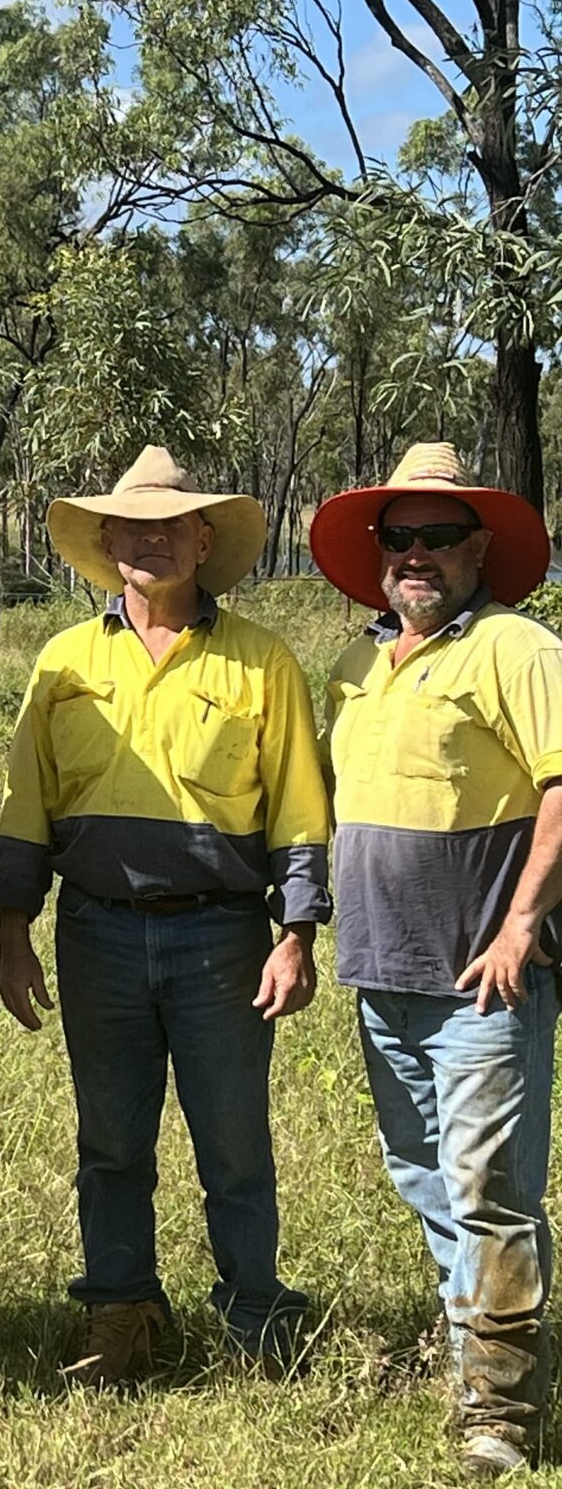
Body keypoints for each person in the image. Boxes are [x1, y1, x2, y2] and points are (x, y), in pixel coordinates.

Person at [0, 446, 330, 1386]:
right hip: (94, 930)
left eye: (171, 525)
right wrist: (15, 929)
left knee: (234, 1141)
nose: (151, 541)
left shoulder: (263, 660)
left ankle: (257, 1321)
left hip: (223, 936)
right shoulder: (65, 660)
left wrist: (296, 933)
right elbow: (29, 801)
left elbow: (300, 805)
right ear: (105, 542)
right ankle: (120, 1315)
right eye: (133, 526)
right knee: (109, 1140)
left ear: (204, 539)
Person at [312, 443, 562, 1480]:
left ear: (477, 549)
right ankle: (478, 1357)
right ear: (377, 556)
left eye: (438, 537)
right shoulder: (356, 662)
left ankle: (498, 1412)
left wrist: (517, 927)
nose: (416, 555)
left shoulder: (513, 645)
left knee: (489, 1188)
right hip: (383, 973)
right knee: (422, 1177)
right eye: (398, 538)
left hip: (480, 978)